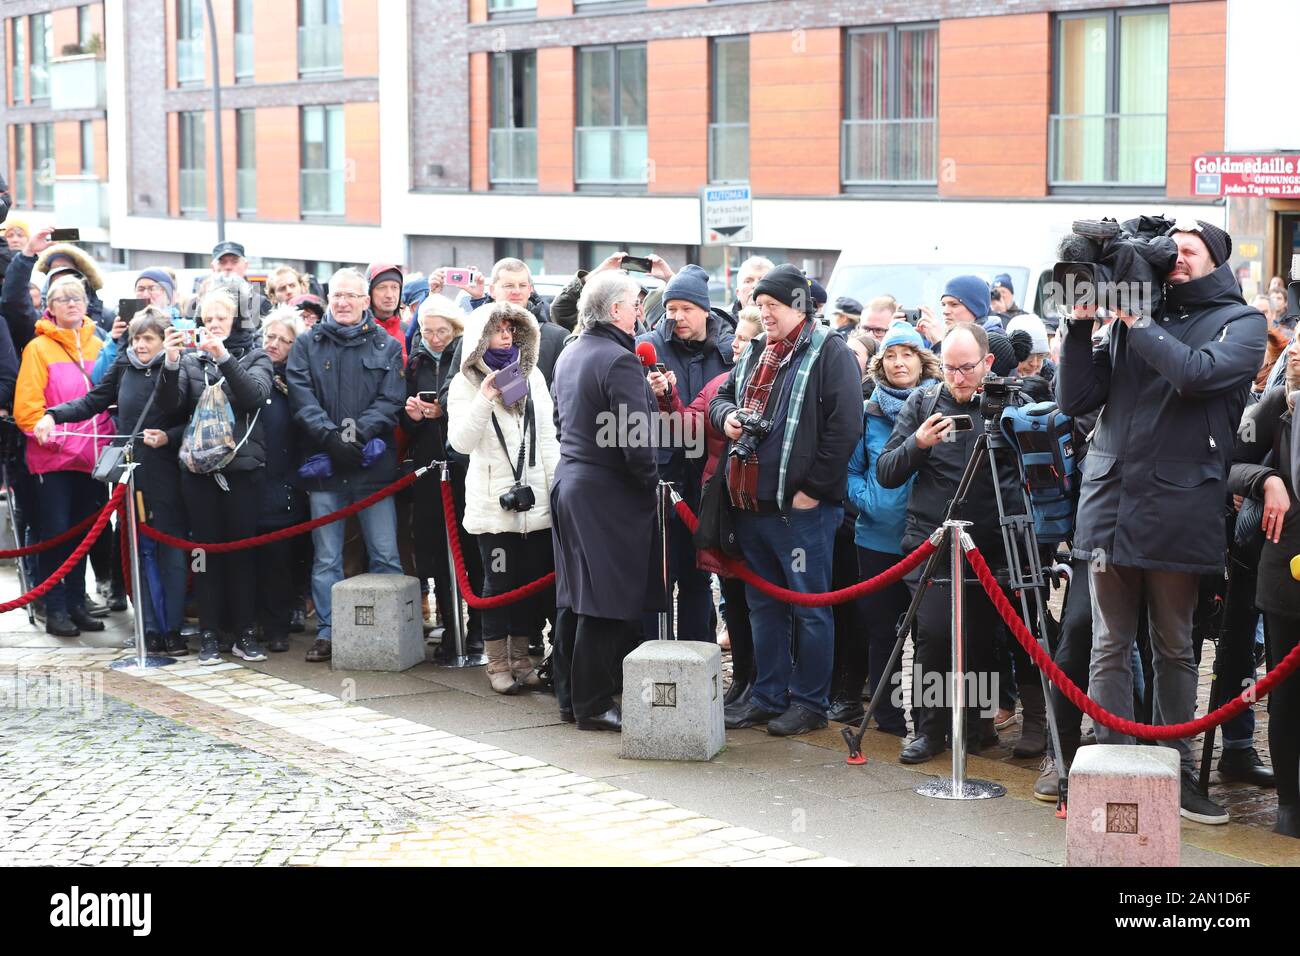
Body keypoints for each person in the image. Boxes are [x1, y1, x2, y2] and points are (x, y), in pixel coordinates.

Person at [1057, 218, 1265, 824]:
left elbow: (1197, 374)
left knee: (1174, 645)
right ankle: (1107, 763)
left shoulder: (1242, 322)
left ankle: (1172, 766)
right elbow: (1076, 400)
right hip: (1110, 501)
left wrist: (1134, 320)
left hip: (1178, 510)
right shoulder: (1138, 310)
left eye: (1188, 249)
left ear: (1216, 259)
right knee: (1107, 642)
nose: (1174, 257)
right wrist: (1076, 324)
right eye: (1168, 249)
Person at [710, 264, 863, 737]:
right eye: (760, 306)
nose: (764, 314)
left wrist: (810, 491)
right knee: (764, 606)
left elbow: (844, 429)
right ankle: (767, 696)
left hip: (802, 512)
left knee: (809, 607)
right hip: (751, 503)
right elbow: (721, 399)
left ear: (797, 306)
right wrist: (729, 417)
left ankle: (810, 703)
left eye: (771, 306)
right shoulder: (757, 352)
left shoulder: (830, 354)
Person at [877, 324, 1035, 763]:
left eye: (966, 368)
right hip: (931, 545)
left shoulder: (1009, 405)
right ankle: (929, 729)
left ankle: (977, 726)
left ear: (987, 363)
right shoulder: (923, 402)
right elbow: (887, 471)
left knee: (983, 639)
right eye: (949, 368)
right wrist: (919, 443)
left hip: (989, 549)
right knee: (934, 636)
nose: (958, 378)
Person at [38, 306, 187, 653]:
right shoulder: (123, 366)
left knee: (172, 554)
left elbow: (184, 412)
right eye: (136, 338)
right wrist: (53, 415)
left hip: (167, 473)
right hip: (133, 474)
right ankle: (148, 627)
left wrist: (168, 434)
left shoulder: (181, 365)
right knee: (140, 553)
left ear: (163, 339)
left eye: (148, 338)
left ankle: (173, 629)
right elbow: (93, 401)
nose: (140, 345)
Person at [550, 271, 660, 731]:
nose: (640, 310)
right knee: (601, 600)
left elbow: (561, 421)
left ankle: (570, 698)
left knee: (576, 596)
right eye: (636, 302)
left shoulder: (572, 350)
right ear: (615, 310)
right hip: (605, 491)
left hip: (572, 481)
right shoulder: (618, 359)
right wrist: (650, 481)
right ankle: (593, 703)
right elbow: (636, 442)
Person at [286, 267, 406, 663]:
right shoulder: (307, 344)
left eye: (351, 296)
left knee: (385, 553)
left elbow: (391, 400)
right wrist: (330, 438)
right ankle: (328, 631)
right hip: (324, 468)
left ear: (364, 301)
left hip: (371, 467)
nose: (342, 303)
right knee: (326, 557)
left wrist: (353, 436)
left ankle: (391, 632)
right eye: (336, 295)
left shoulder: (386, 345)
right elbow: (302, 398)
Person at [447, 301, 558, 693]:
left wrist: (556, 488)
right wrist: (486, 396)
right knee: (498, 585)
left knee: (529, 586)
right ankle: (497, 663)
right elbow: (460, 442)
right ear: (480, 338)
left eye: (511, 328)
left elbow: (548, 438)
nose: (507, 334)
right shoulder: (464, 383)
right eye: (497, 329)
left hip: (536, 503)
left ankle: (522, 659)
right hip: (494, 505)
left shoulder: (534, 376)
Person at [839, 322, 942, 733]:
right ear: (881, 364)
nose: (900, 362)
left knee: (928, 633)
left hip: (926, 539)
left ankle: (927, 718)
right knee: (882, 631)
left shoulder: (941, 405)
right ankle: (887, 716)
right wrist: (873, 501)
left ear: (922, 360)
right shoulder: (869, 411)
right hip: (876, 538)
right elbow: (849, 472)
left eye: (908, 354)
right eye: (892, 355)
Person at [160, 289, 273, 664]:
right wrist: (173, 362)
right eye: (207, 320)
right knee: (203, 555)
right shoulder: (191, 361)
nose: (213, 326)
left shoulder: (255, 355)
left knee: (242, 555)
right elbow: (171, 407)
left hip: (241, 473)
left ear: (235, 322)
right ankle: (209, 631)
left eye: (220, 320)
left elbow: (254, 396)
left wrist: (223, 357)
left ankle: (244, 630)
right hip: (198, 475)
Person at [656, 307, 762, 703]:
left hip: (759, 503)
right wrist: (670, 398)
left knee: (763, 599)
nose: (735, 346)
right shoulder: (721, 382)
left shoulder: (775, 387)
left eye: (745, 340)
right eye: (735, 338)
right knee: (732, 596)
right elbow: (687, 428)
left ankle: (766, 683)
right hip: (723, 502)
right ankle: (743, 679)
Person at [637, 264, 734, 643]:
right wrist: (650, 392)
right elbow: (627, 413)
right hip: (661, 479)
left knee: (699, 577)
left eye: (685, 308)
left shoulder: (727, 349)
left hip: (708, 480)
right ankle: (652, 659)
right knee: (658, 578)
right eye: (671, 307)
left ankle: (699, 657)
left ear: (705, 311)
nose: (676, 316)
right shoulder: (647, 345)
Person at [14, 274, 114, 636]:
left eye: (78, 297)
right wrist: (60, 440)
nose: (72, 303)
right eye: (63, 298)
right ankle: (55, 608)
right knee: (55, 536)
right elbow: (27, 410)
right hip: (53, 460)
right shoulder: (38, 349)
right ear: (50, 308)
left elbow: (107, 399)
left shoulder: (101, 344)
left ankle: (76, 602)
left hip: (92, 460)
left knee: (83, 536)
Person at [1229, 349, 1300, 838]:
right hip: (1286, 575)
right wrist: (1266, 478)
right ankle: (1291, 804)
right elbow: (1228, 465)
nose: (1293, 349)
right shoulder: (1278, 405)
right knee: (1287, 696)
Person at [404, 294, 482, 655]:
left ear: (456, 329)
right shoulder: (415, 361)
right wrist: (413, 414)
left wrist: (444, 413)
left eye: (442, 331)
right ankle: (450, 627)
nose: (435, 338)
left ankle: (478, 628)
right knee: (435, 553)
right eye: (428, 331)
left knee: (471, 552)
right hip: (428, 469)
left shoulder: (467, 358)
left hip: (464, 467)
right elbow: (401, 415)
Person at [252, 309, 309, 653]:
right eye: (269, 337)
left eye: (283, 340)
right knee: (251, 555)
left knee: (280, 557)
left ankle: (277, 625)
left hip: (286, 477)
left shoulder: (298, 381)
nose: (273, 345)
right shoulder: (248, 369)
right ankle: (253, 619)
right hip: (252, 477)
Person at [731, 255, 775, 322]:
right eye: (748, 281)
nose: (756, 285)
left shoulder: (787, 327)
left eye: (763, 281)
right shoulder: (723, 328)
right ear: (738, 293)